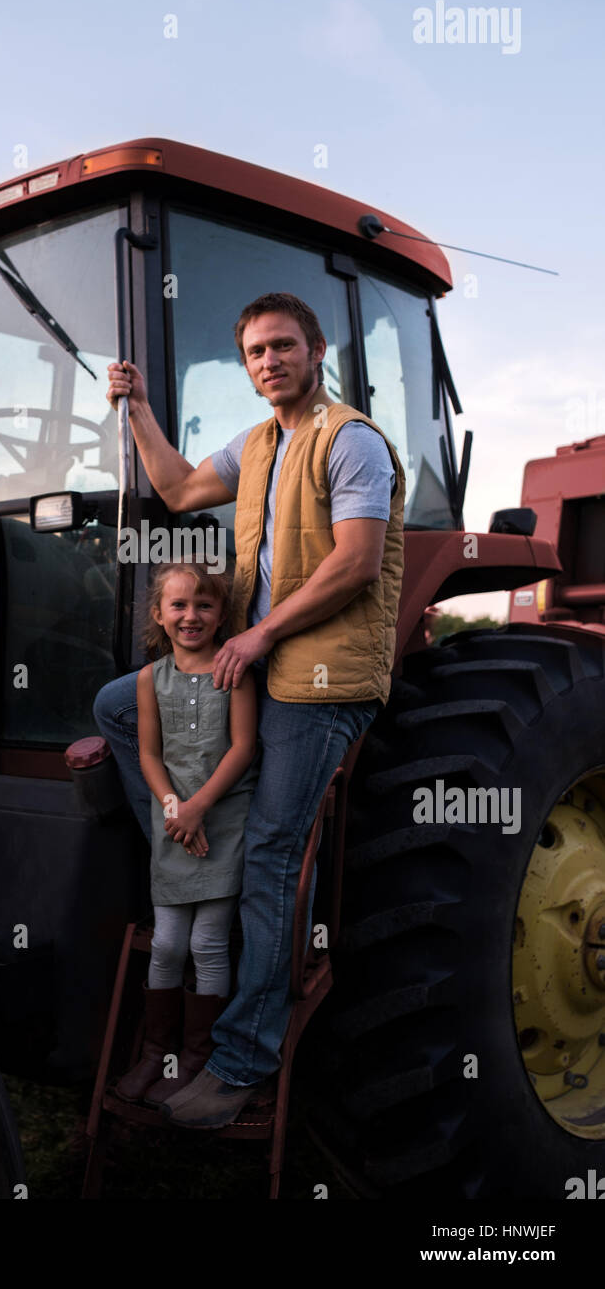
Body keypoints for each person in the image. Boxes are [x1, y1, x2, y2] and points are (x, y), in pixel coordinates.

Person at [94, 291, 405, 1128]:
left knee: (271, 859)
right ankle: (188, 835)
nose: (268, 361)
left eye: (282, 346)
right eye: (255, 353)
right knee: (119, 705)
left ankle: (244, 1061)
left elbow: (356, 562)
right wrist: (139, 409)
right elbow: (175, 486)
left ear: (314, 350)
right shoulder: (258, 443)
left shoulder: (352, 441)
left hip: (321, 676)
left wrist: (258, 635)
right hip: (261, 658)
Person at [115, 561, 259, 1106]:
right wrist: (177, 809)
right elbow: (149, 753)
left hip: (223, 818)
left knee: (207, 943)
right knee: (169, 943)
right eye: (178, 605)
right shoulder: (152, 678)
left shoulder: (234, 672)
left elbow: (243, 748)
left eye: (203, 605)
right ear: (159, 614)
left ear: (222, 614)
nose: (191, 616)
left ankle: (197, 1058)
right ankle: (157, 1054)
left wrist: (199, 808)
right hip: (173, 819)